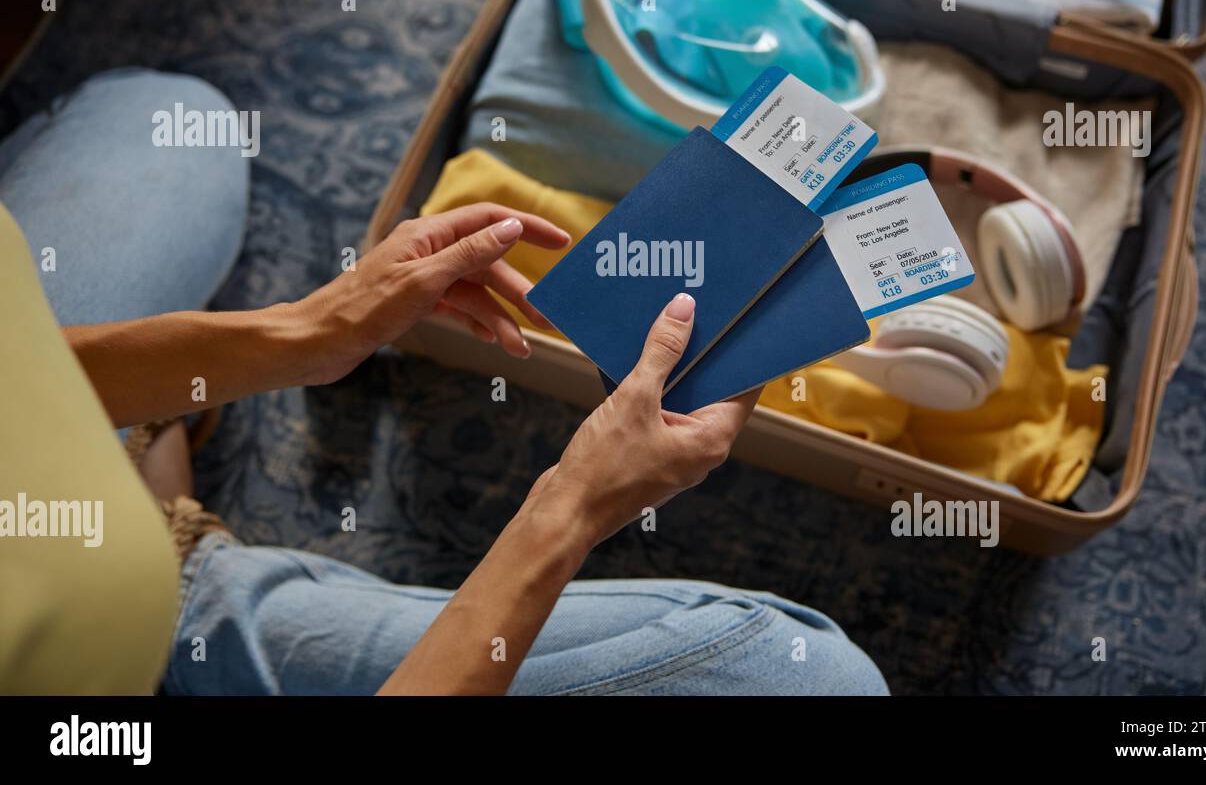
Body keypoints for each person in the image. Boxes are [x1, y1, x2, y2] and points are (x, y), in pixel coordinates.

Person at [0, 69, 886, 695]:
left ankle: (126, 477)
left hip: (46, 511)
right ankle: (168, 544)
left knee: (167, 113)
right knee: (809, 677)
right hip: (124, 654)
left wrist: (311, 332)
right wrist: (568, 512)